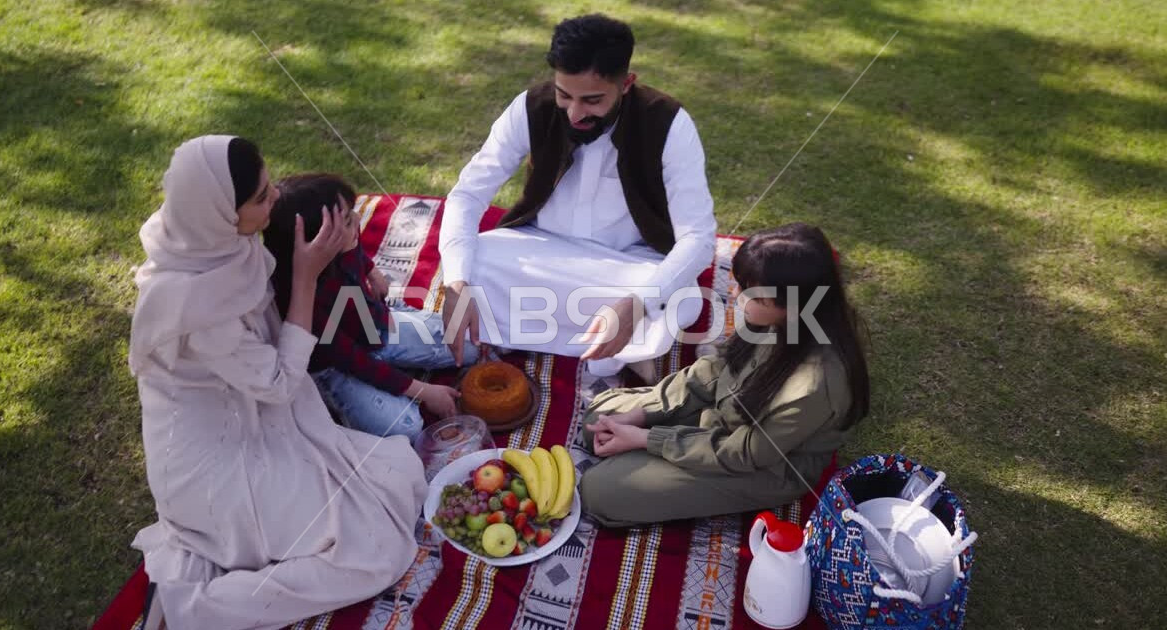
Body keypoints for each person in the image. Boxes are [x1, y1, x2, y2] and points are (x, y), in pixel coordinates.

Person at [128, 136, 426, 630]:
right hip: (215, 465)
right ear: (222, 213)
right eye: (262, 197)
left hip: (261, 422)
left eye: (270, 187)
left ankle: (217, 558)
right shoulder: (195, 307)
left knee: (401, 473)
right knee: (379, 551)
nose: (275, 199)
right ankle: (195, 605)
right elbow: (281, 382)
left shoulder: (211, 236)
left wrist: (350, 264)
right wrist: (305, 277)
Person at [439, 14, 717, 381]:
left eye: (592, 100)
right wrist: (458, 283)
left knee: (682, 299)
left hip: (627, 262)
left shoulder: (669, 124)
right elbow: (467, 195)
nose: (574, 114)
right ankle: (619, 351)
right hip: (540, 249)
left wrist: (636, 304)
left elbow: (698, 238)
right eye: (564, 95)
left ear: (626, 84)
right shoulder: (531, 107)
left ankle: (526, 333)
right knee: (468, 264)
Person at [577, 223, 870, 527]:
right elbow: (718, 368)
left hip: (760, 465)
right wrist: (643, 413)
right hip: (724, 414)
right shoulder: (777, 317)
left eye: (752, 295)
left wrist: (646, 439)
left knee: (600, 490)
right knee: (599, 419)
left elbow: (744, 453)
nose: (736, 295)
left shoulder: (813, 385)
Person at [262, 173, 478, 439]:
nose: (357, 221)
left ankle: (397, 339)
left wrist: (371, 270)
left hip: (371, 324)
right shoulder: (301, 299)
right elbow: (352, 359)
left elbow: (355, 253)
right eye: (347, 220)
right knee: (405, 427)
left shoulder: (344, 243)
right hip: (336, 367)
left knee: (467, 345)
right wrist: (424, 391)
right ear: (317, 241)